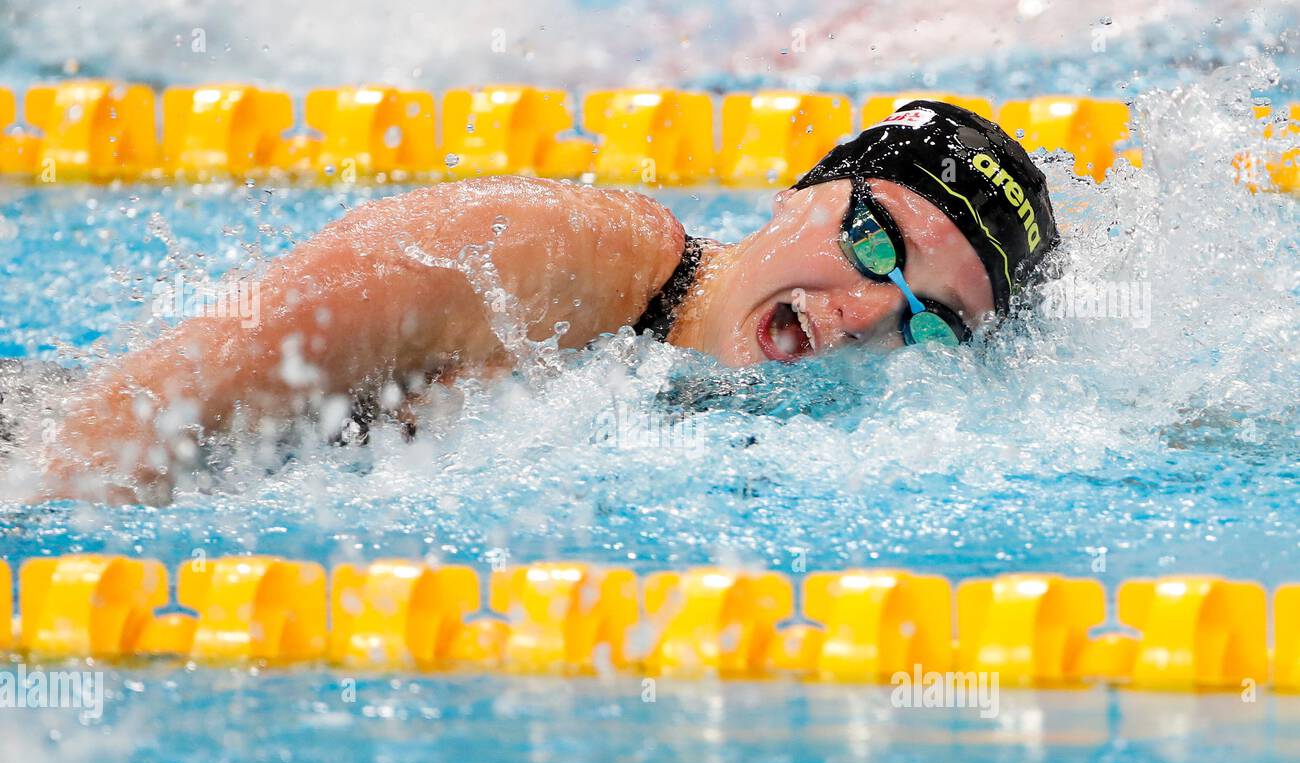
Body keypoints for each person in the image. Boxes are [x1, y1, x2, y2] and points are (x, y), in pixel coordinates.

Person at [37, 99, 1058, 504]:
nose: (867, 313)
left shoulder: (740, 421)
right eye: (873, 239)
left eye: (929, 320)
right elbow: (125, 419)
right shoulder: (549, 255)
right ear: (802, 189)